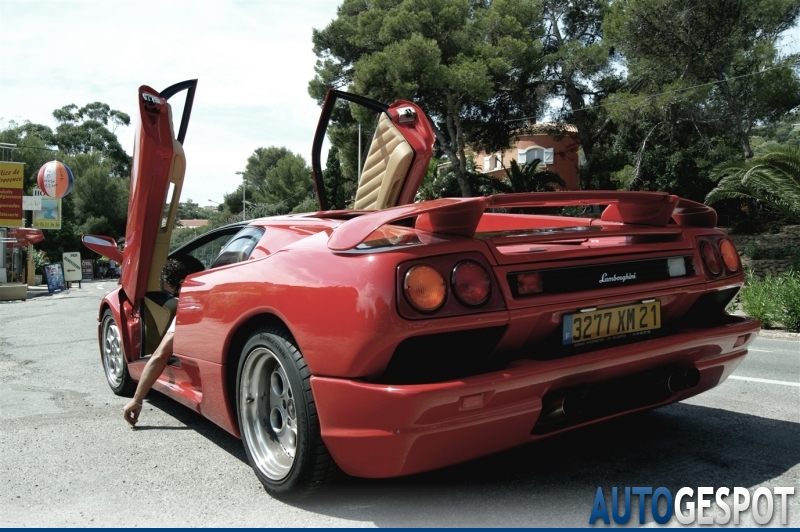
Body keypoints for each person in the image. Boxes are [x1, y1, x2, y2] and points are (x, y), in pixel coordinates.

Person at [122, 256, 203, 426]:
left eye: (174, 293)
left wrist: (136, 400)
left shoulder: (190, 307)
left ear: (183, 283)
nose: (176, 298)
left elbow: (160, 356)